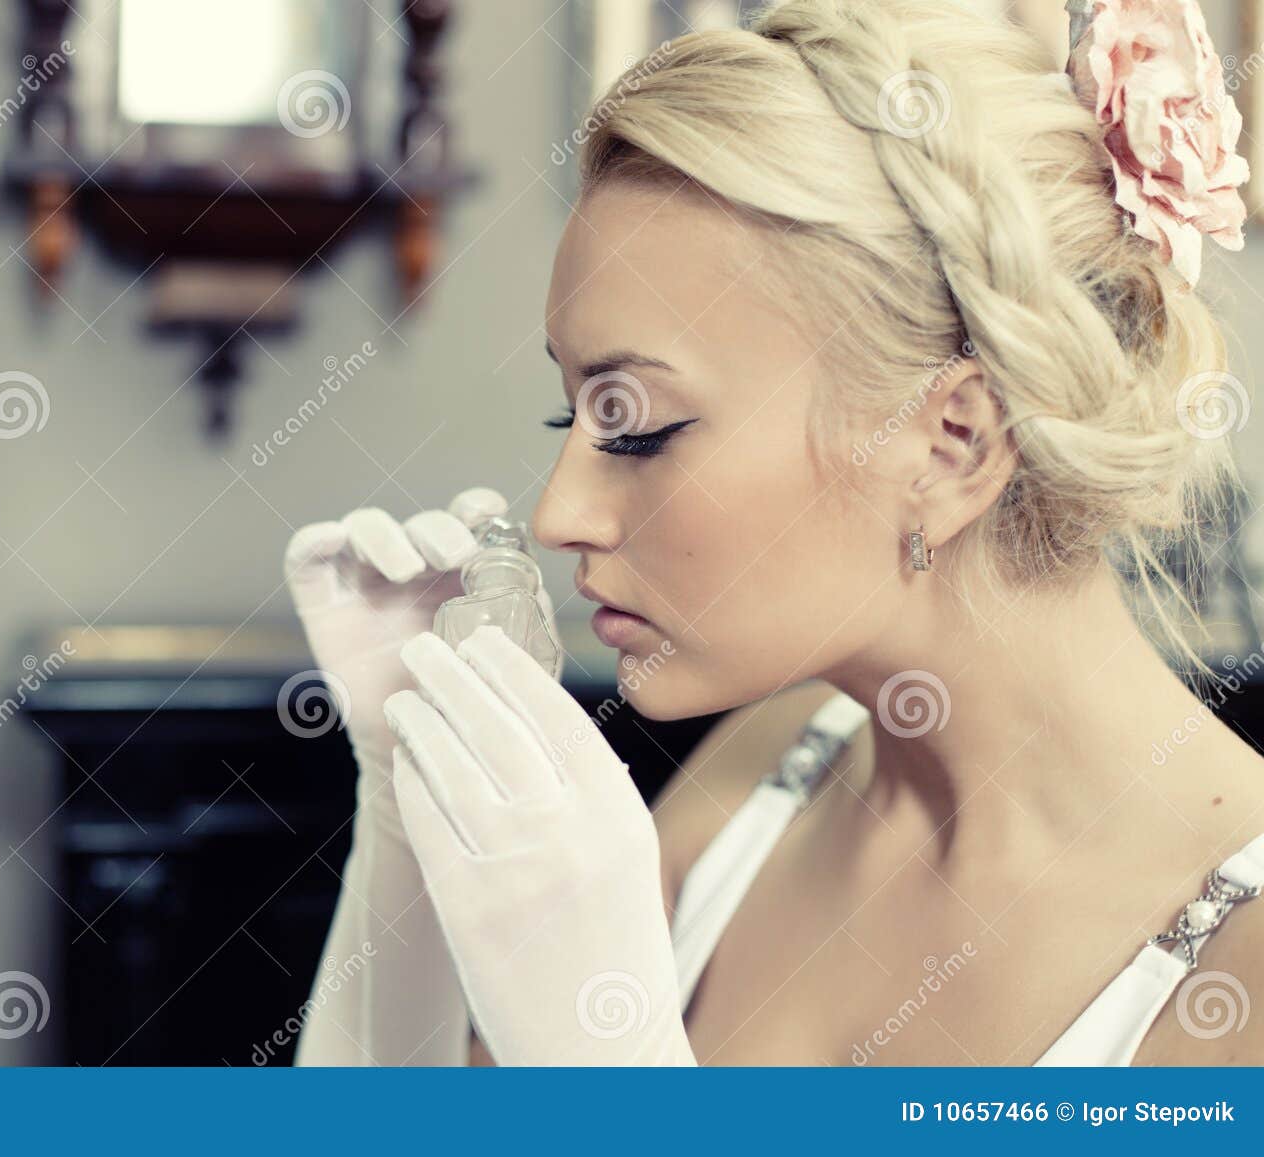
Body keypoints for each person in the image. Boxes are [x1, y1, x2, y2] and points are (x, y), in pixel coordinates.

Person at [288, 0, 1264, 1066]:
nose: (555, 515)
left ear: (953, 442)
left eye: (639, 425)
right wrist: (405, 819)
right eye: (573, 417)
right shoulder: (766, 772)